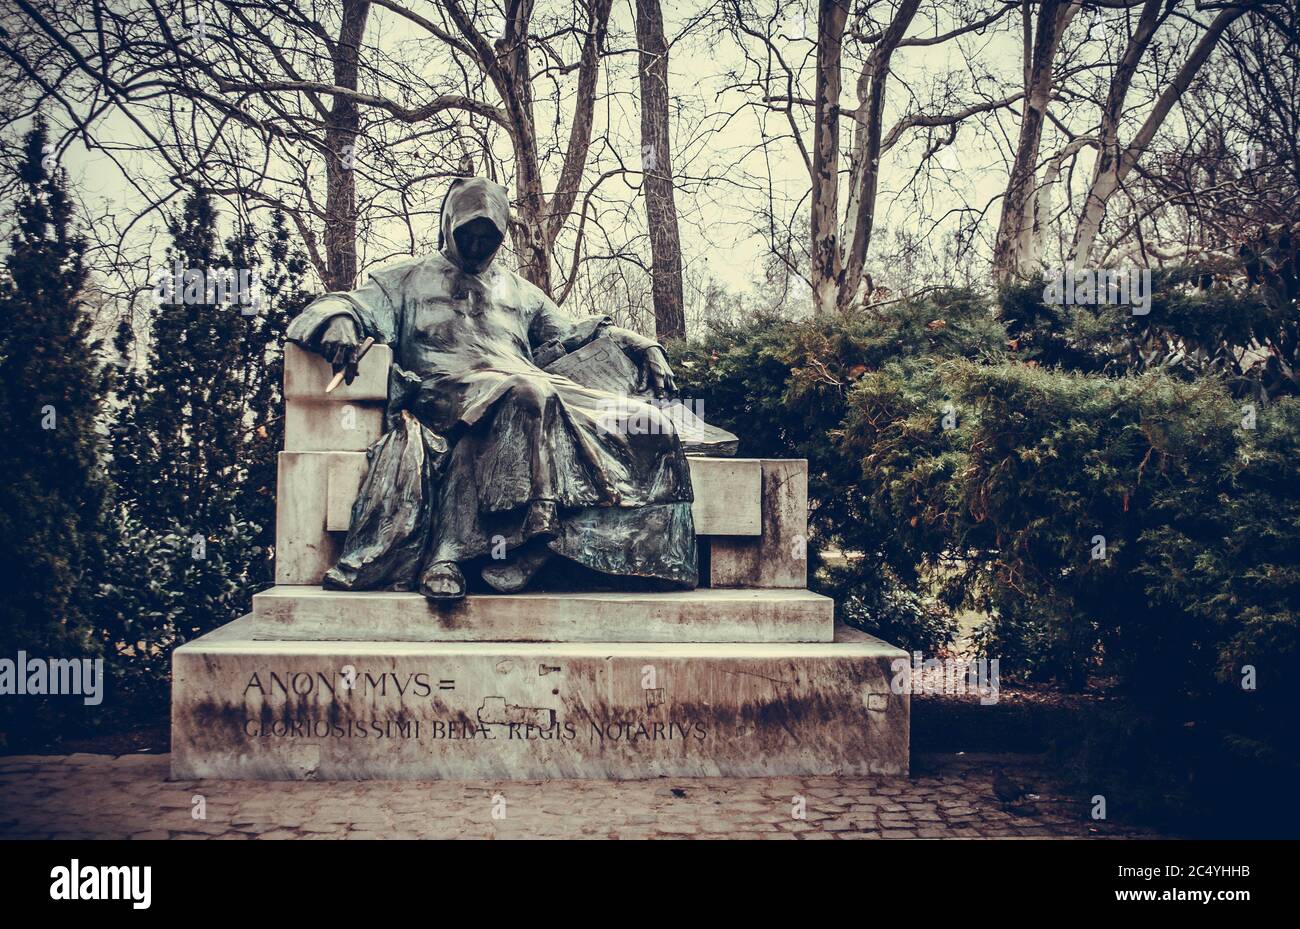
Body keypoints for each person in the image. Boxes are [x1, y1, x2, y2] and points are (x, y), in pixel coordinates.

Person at [287, 177, 696, 600]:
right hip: (445, 390)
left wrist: (643, 344)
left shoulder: (520, 291)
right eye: (469, 234)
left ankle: (615, 555)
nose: (479, 245)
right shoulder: (403, 280)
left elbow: (578, 333)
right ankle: (528, 535)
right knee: (526, 394)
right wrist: (336, 321)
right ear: (448, 225)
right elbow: (342, 303)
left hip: (528, 385)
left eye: (490, 237)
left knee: (648, 424)